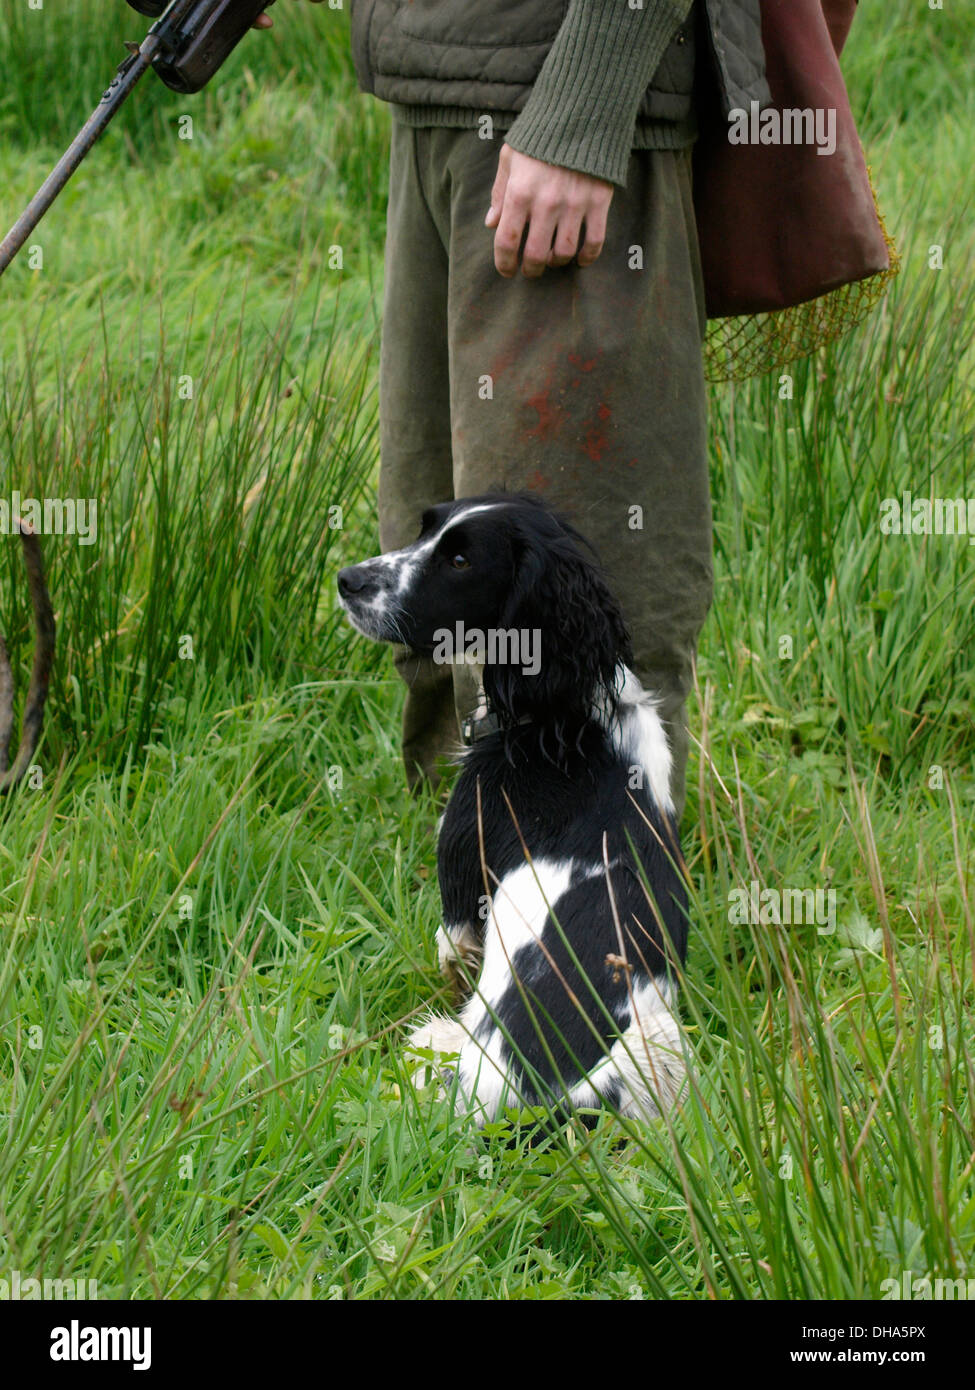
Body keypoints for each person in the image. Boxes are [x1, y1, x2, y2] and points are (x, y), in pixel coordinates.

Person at [266, 1, 770, 821]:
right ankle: (470, 878)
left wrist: (581, 112)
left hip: (561, 111)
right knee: (431, 528)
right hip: (436, 85)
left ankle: (601, 899)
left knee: (569, 565)